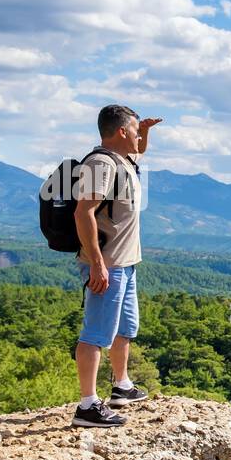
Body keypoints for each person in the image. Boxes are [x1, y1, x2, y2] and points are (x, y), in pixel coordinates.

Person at [70, 104, 161, 428]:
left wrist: (146, 131)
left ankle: (121, 386)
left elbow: (140, 151)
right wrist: (96, 264)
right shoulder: (100, 164)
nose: (139, 137)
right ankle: (87, 406)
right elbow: (83, 213)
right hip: (107, 264)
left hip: (125, 262)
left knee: (125, 328)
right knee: (96, 333)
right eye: (135, 130)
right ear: (121, 131)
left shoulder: (124, 161)